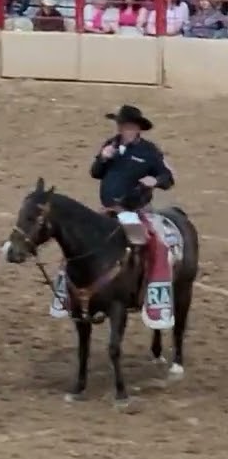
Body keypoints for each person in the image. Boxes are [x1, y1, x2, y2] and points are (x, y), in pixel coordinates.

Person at [51, 105, 175, 325]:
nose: (122, 130)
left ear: (137, 128)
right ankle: (70, 295)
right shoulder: (111, 145)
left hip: (134, 212)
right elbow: (95, 173)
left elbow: (168, 177)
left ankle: (150, 294)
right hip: (107, 211)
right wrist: (102, 158)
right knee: (76, 243)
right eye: (120, 126)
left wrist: (155, 181)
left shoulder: (150, 152)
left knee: (152, 244)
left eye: (126, 126)